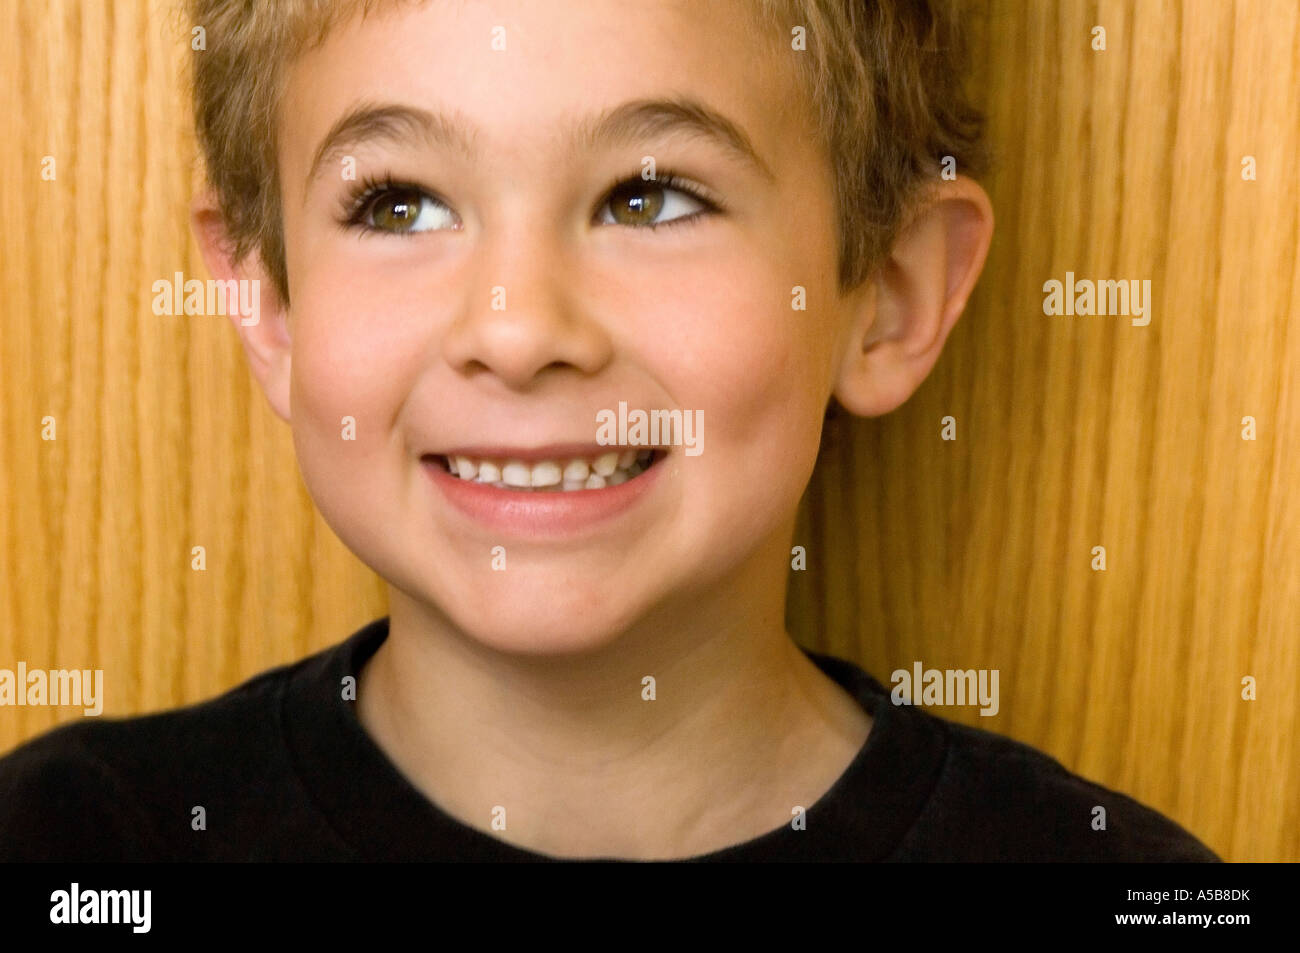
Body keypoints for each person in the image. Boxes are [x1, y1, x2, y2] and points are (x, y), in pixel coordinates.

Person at [0, 0, 1218, 862]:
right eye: (400, 203)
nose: (519, 329)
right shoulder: (70, 842)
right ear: (266, 300)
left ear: (889, 296)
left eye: (650, 196)